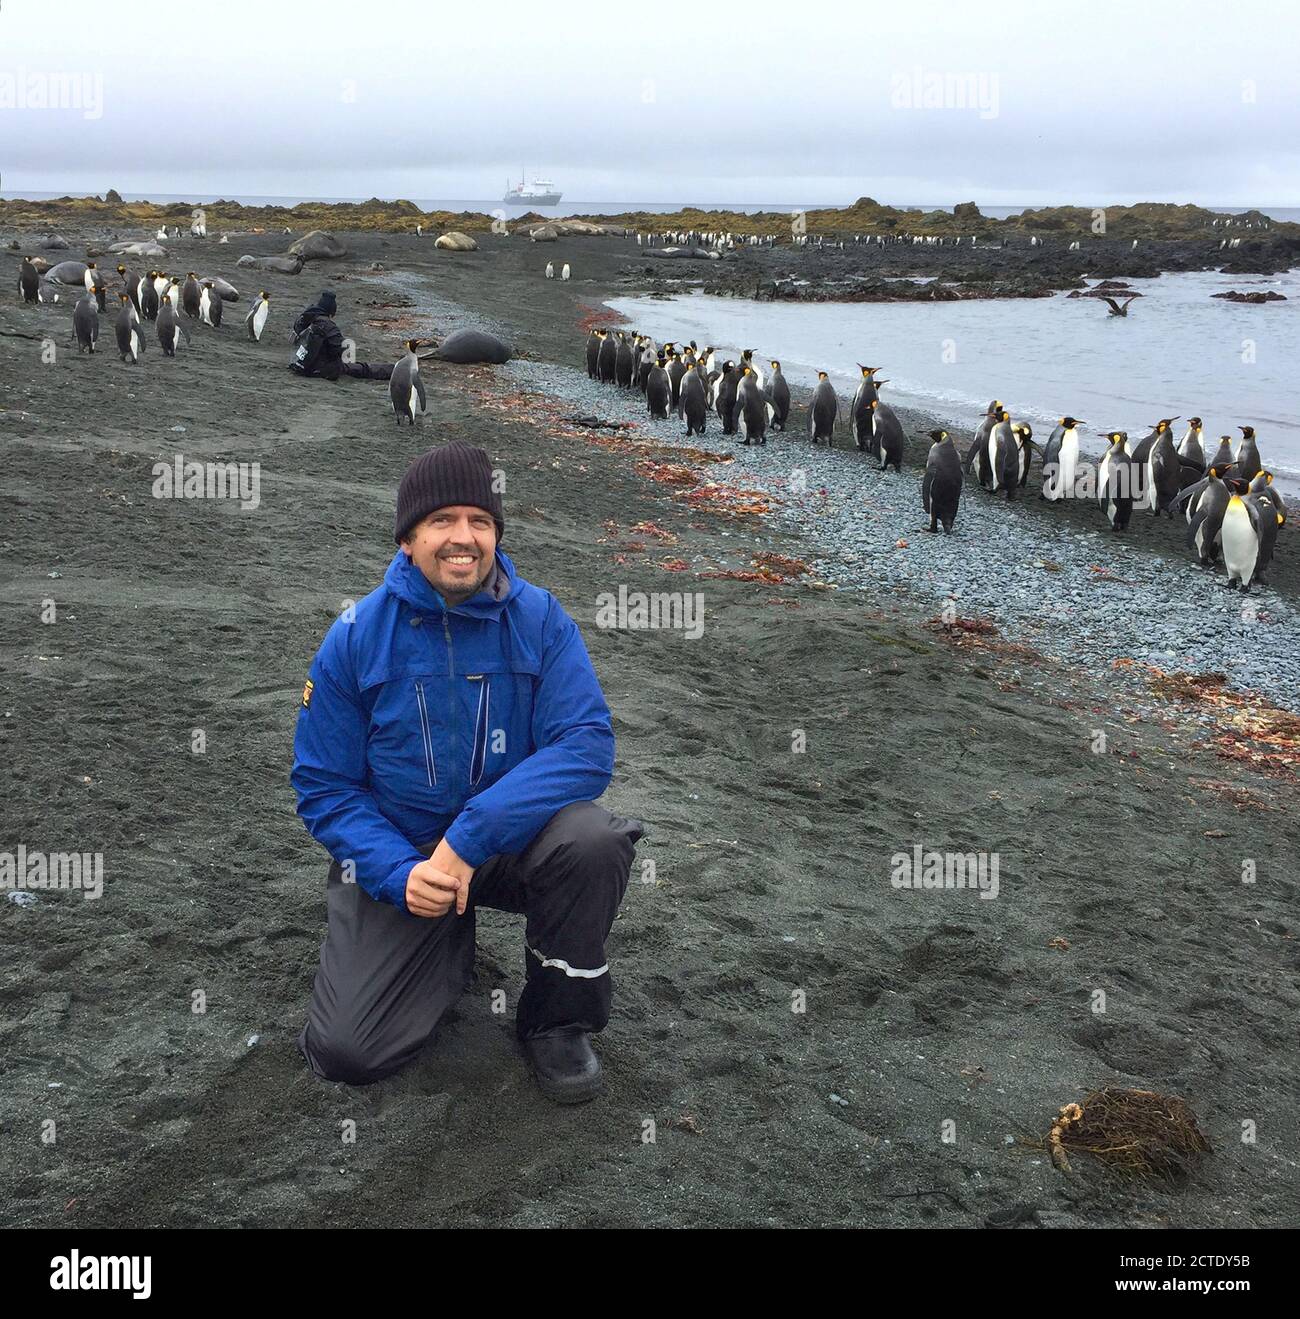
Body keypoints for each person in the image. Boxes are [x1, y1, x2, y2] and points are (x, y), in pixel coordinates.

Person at [291, 442, 644, 1102]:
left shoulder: (540, 619)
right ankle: (439, 944)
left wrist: (471, 836)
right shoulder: (355, 635)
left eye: (480, 520)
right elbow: (324, 787)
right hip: (406, 854)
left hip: (508, 844)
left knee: (594, 840)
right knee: (347, 1052)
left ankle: (557, 1020)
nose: (464, 537)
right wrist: (400, 872)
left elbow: (586, 744)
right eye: (443, 520)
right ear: (408, 539)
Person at [290, 289, 393, 381]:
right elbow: (341, 348)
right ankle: (394, 370)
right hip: (319, 370)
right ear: (331, 311)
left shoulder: (304, 319)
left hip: (298, 364)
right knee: (364, 369)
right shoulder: (327, 325)